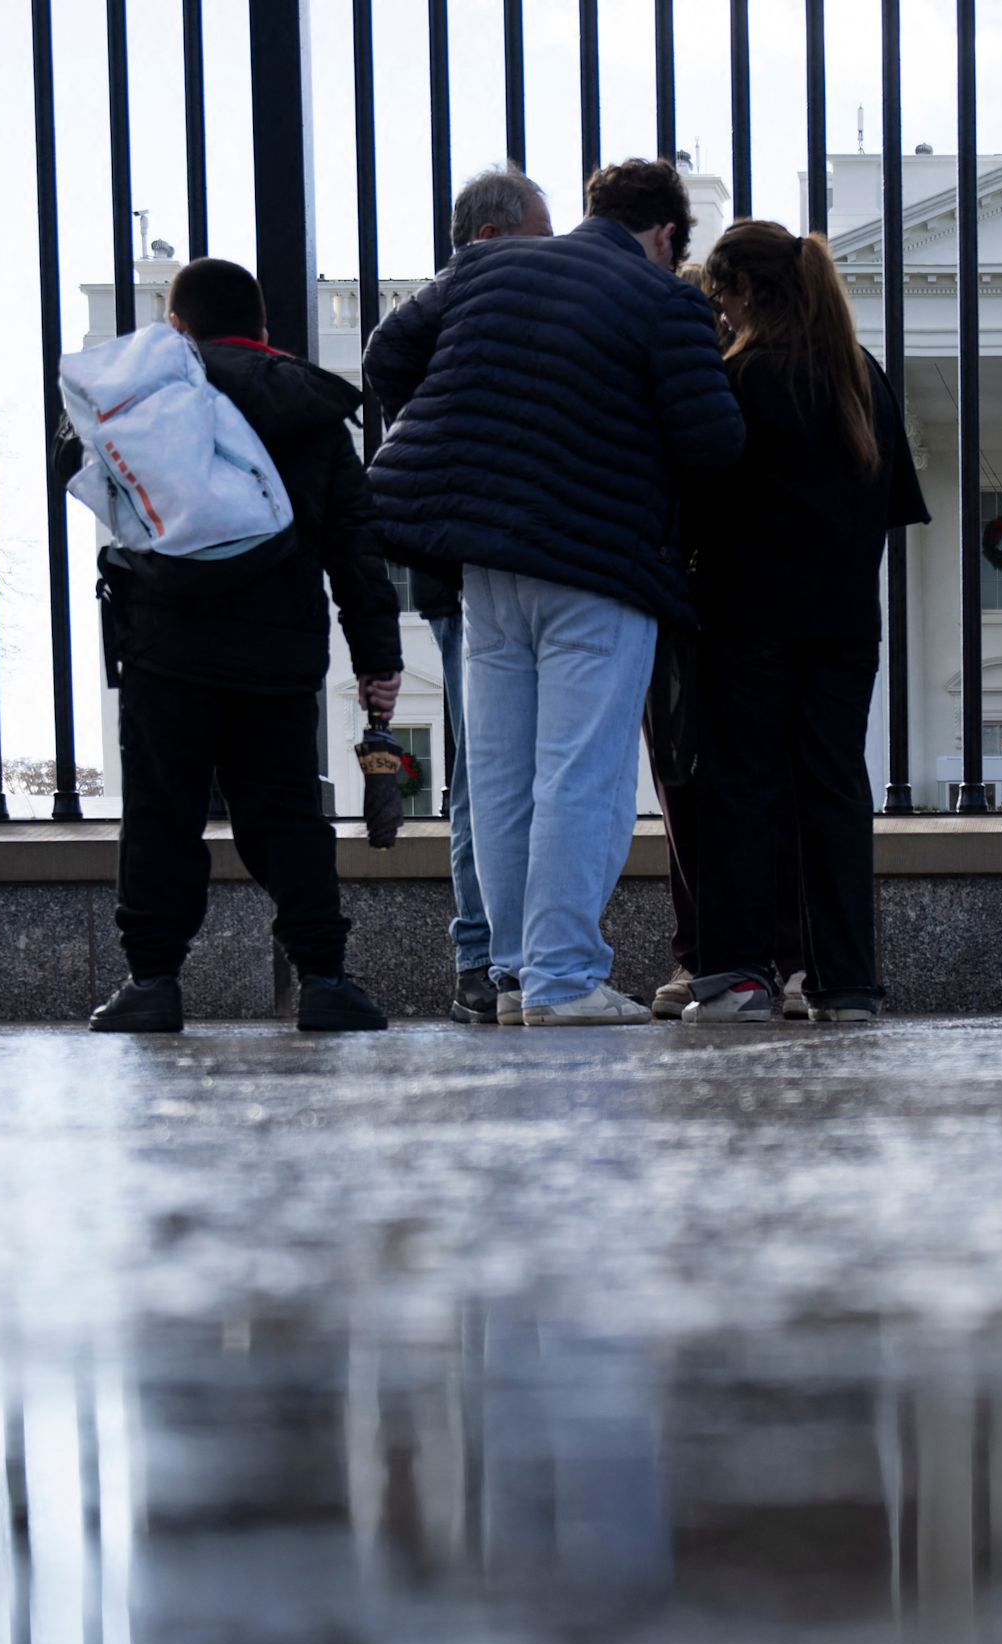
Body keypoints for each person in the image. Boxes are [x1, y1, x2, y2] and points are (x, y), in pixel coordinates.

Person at [362, 156, 745, 1028]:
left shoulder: (486, 265)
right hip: (598, 563)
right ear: (665, 235)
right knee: (583, 772)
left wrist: (478, 432)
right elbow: (712, 441)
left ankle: (511, 974)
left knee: (500, 772)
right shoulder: (663, 300)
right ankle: (563, 977)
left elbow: (388, 355)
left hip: (486, 563)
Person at [74, 256, 408, 1034]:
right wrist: (377, 659)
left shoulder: (148, 399)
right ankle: (323, 978)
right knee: (288, 814)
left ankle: (153, 981)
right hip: (278, 650)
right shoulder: (308, 406)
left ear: (177, 326)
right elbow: (356, 545)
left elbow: (75, 462)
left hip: (166, 645)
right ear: (262, 326)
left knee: (162, 813)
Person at [669, 219, 930, 1025]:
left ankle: (739, 975)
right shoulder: (860, 375)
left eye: (720, 296)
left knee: (740, 789)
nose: (719, 312)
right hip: (846, 623)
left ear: (744, 290)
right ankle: (846, 982)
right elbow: (894, 504)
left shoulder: (739, 379)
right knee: (835, 790)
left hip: (748, 618)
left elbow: (696, 504)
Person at [408, 168, 556, 1025]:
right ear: (494, 238)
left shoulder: (442, 313)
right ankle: (488, 954)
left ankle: (499, 955)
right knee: (489, 770)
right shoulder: (462, 309)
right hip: (475, 566)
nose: (554, 256)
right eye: (542, 237)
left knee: (494, 767)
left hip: (470, 560)